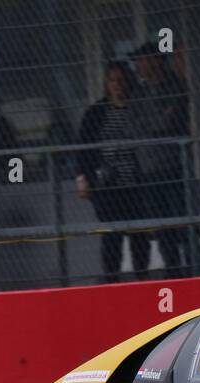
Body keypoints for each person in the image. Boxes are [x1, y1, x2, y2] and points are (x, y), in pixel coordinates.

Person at [76, 61, 149, 282]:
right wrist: (83, 178)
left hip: (138, 181)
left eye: (121, 80)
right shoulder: (96, 112)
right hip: (108, 183)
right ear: (106, 84)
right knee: (112, 234)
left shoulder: (140, 108)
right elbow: (84, 148)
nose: (117, 85)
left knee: (139, 234)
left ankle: (142, 279)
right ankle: (112, 280)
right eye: (112, 80)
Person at [132, 41, 191, 278]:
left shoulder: (174, 86)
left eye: (144, 60)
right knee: (162, 225)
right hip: (149, 169)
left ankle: (192, 267)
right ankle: (173, 270)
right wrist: (155, 124)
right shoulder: (140, 93)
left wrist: (154, 125)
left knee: (183, 221)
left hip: (173, 166)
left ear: (157, 60)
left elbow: (169, 121)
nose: (139, 65)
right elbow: (134, 127)